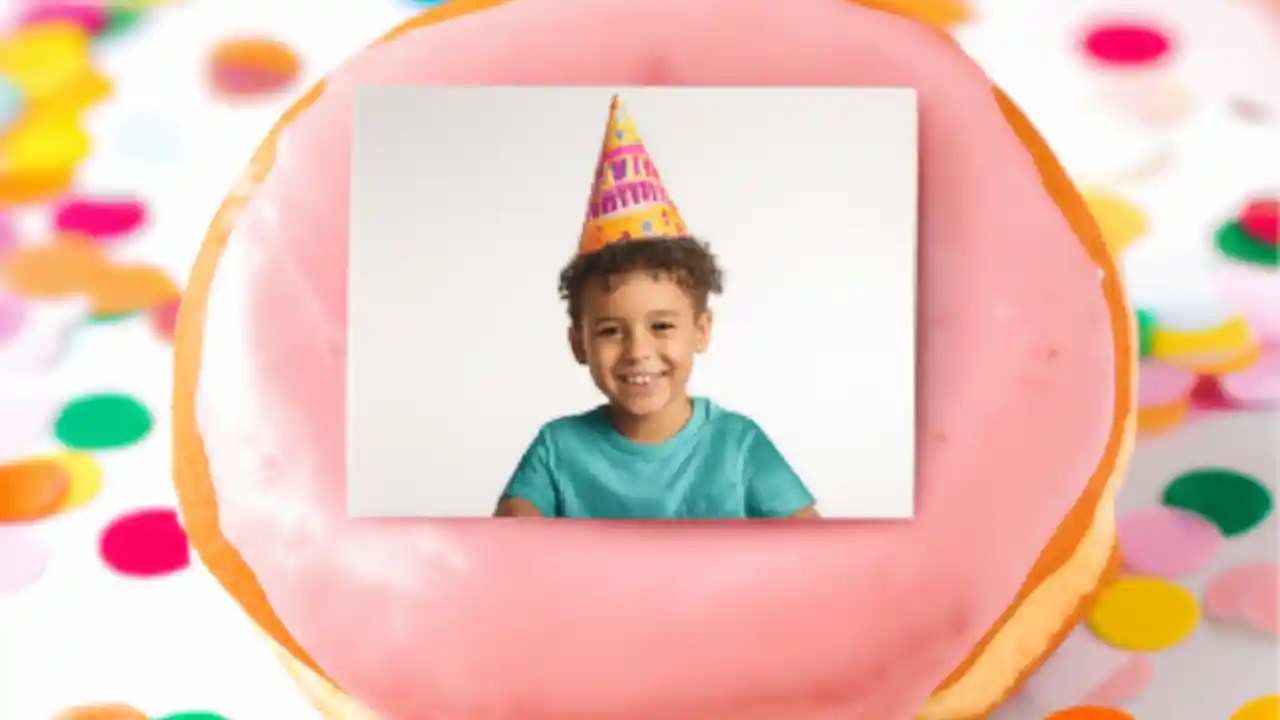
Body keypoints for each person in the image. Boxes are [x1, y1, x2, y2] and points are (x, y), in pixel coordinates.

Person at [494, 95, 818, 520]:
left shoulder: (737, 445)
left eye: (662, 326)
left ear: (701, 331)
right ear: (578, 342)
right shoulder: (558, 448)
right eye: (611, 330)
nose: (637, 351)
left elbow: (815, 551)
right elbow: (505, 551)